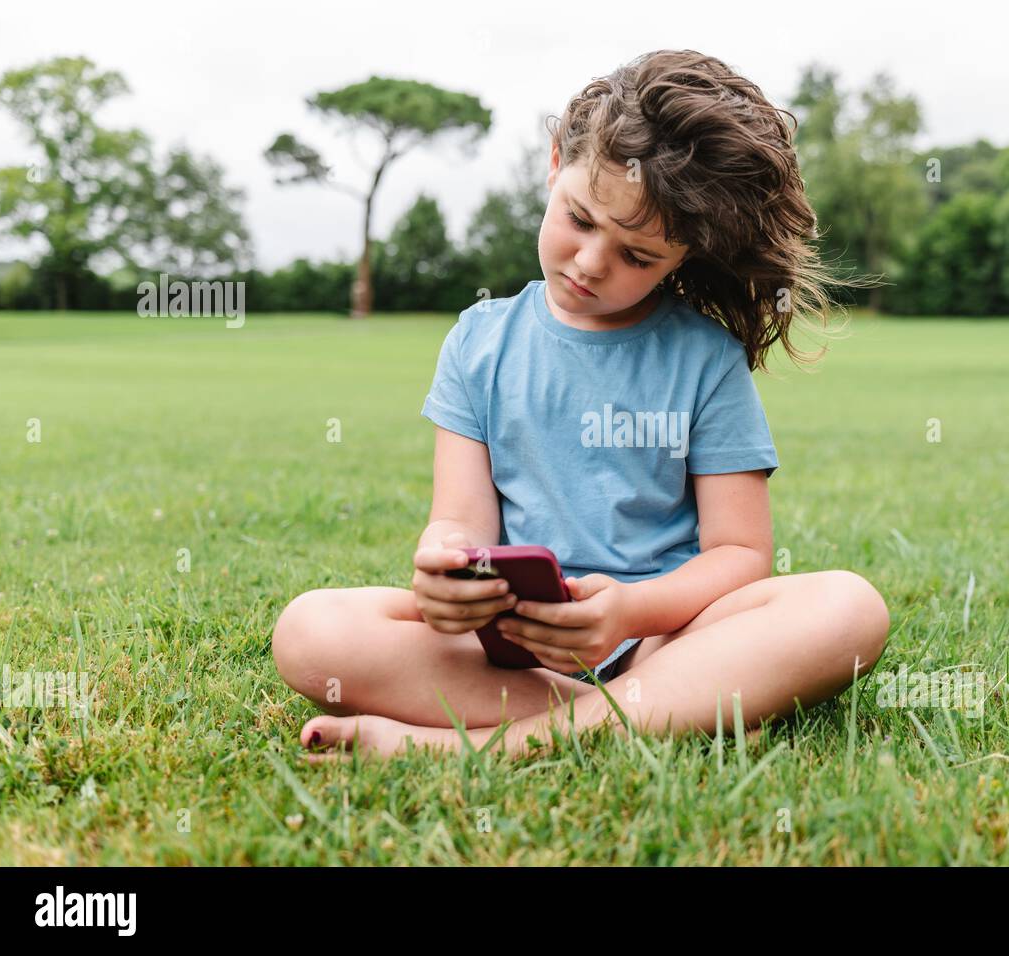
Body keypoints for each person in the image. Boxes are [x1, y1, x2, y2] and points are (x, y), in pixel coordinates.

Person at [272, 50, 890, 761]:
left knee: (849, 608)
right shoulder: (479, 343)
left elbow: (740, 555)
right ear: (557, 160)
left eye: (638, 257)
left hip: (668, 637)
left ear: (683, 257)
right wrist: (442, 568)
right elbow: (460, 522)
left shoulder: (705, 360)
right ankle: (670, 712)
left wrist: (628, 610)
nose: (592, 263)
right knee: (310, 632)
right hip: (520, 654)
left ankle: (494, 745)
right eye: (580, 219)